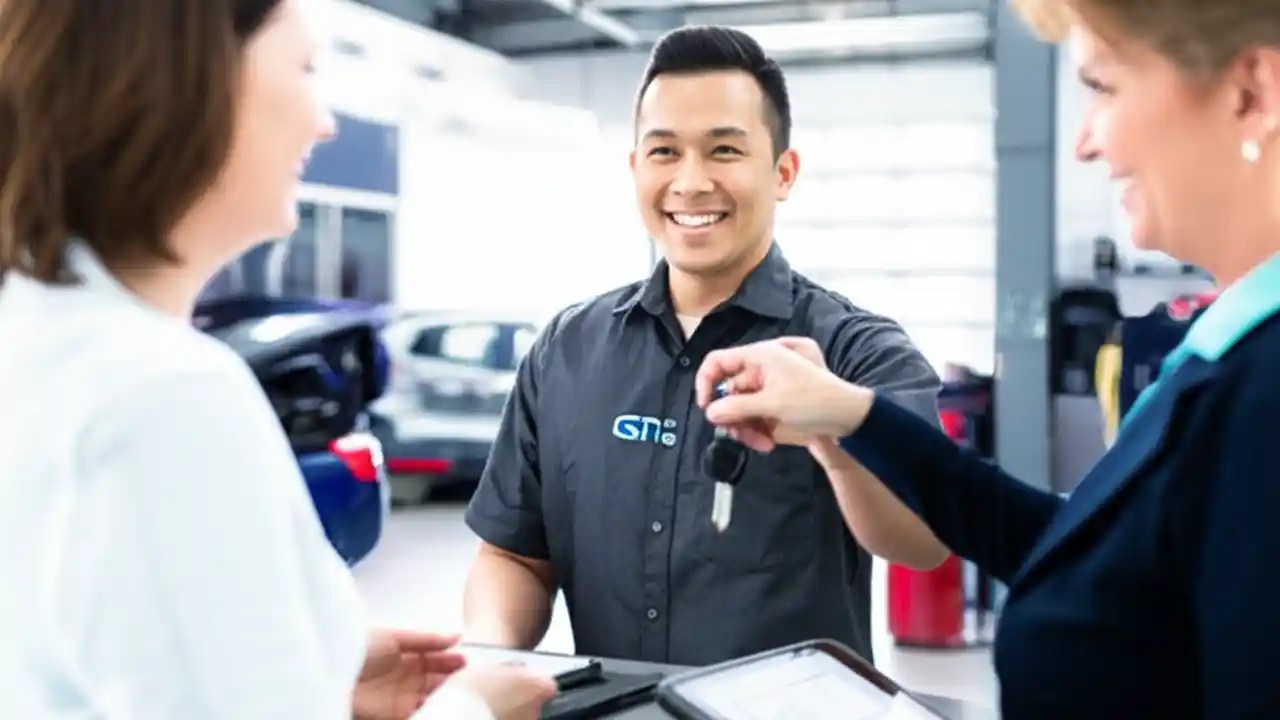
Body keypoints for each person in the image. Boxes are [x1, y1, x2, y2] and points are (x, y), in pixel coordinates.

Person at [692, 0, 1280, 716]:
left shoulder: (1264, 399)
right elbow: (1088, 556)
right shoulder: (1223, 356)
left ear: (1253, 95)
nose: (1085, 144)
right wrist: (847, 416)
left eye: (1104, 87)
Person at [0, 1, 556, 718]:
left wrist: (315, 669)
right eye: (304, 70)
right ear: (190, 83)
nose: (322, 122)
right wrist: (473, 709)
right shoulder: (164, 393)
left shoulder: (44, 343)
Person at [461, 25, 948, 668]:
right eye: (664, 152)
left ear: (783, 171)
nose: (690, 182)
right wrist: (488, 659)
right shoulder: (566, 351)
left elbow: (926, 539)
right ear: (636, 168)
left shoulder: (857, 352)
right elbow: (514, 555)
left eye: (723, 150)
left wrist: (836, 426)